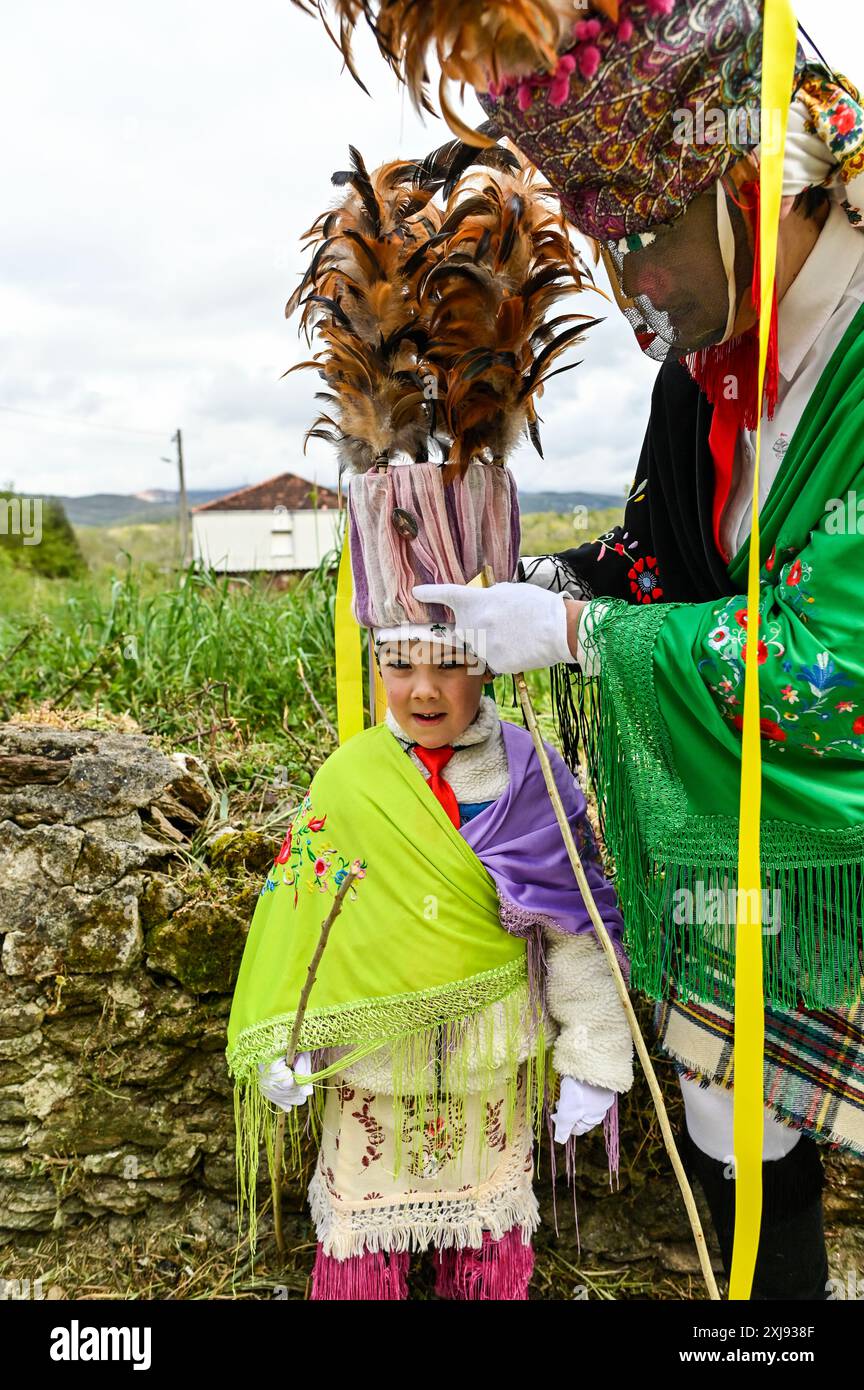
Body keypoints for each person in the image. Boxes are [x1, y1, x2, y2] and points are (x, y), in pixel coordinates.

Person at [395, 0, 864, 1301]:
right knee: (740, 1137)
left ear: (745, 182)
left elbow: (840, 665)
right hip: (751, 855)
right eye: (608, 246)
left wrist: (578, 634)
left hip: (841, 846)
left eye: (645, 237)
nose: (631, 283)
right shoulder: (699, 371)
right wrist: (556, 581)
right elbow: (670, 558)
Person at [225, 623, 633, 1300]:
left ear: (487, 666)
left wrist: (593, 1055)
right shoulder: (349, 778)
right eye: (398, 664)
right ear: (376, 665)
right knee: (362, 1254)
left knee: (484, 1251)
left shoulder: (530, 777)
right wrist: (288, 1038)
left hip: (489, 1060)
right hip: (371, 1067)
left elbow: (574, 923)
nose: (423, 689)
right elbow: (301, 917)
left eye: (449, 664)